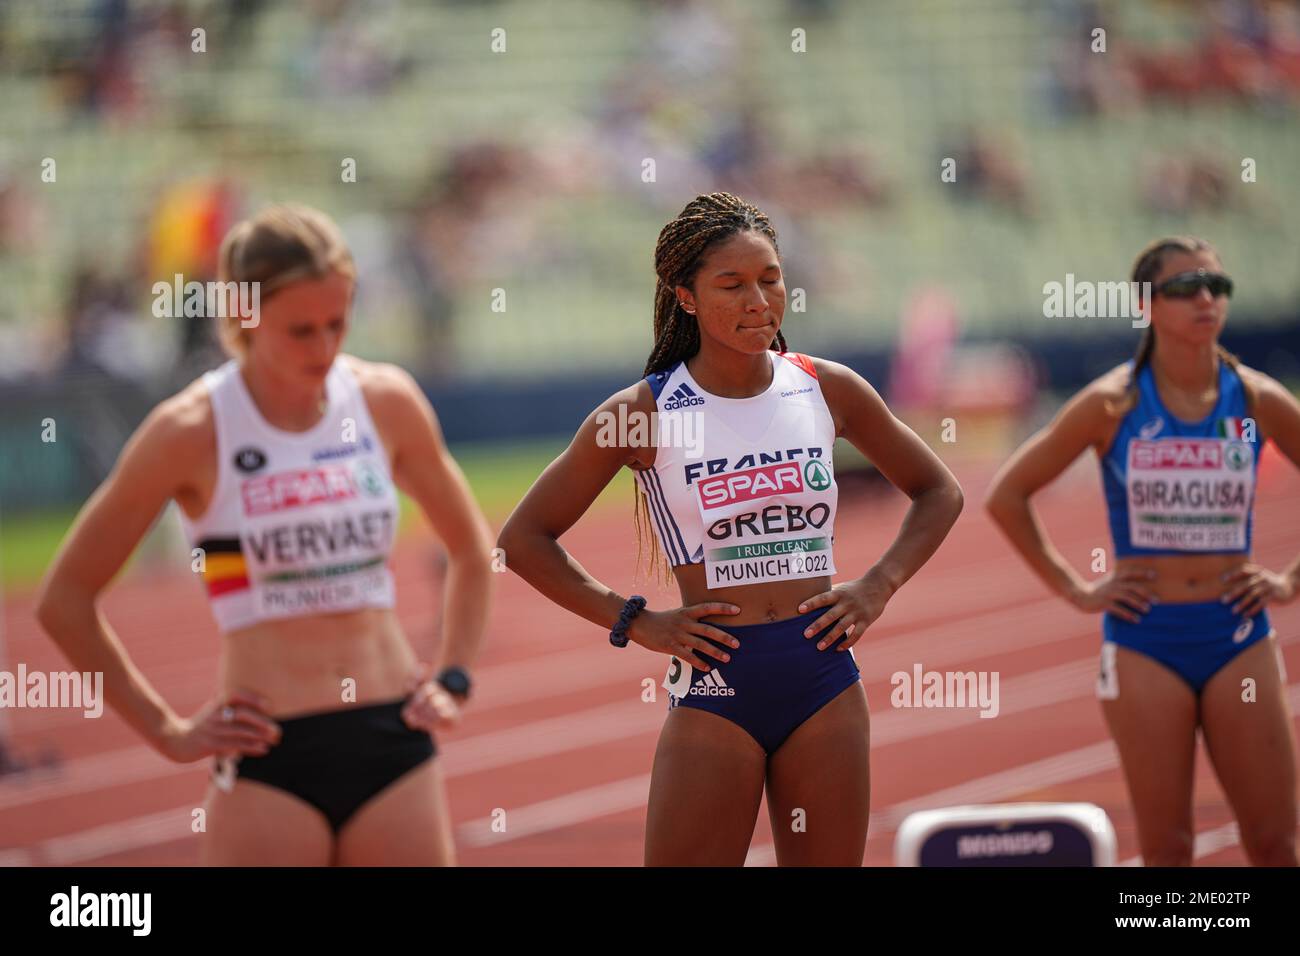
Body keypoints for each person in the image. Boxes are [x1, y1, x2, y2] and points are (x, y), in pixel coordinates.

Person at [498, 192, 963, 865]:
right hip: (718, 684)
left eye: (771, 279)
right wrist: (636, 620)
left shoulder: (825, 388)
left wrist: (878, 585)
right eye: (732, 284)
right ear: (685, 296)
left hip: (823, 679)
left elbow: (937, 491)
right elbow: (523, 539)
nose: (758, 301)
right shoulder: (643, 413)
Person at [36, 204, 494, 866]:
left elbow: (474, 548)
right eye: (300, 330)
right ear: (244, 317)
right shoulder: (190, 430)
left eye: (338, 323)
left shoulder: (383, 401)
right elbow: (65, 598)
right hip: (270, 754)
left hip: (394, 740)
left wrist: (453, 677)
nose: (325, 348)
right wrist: (166, 731)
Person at [986, 236, 1299, 866]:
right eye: (1185, 288)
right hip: (1145, 641)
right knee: (1168, 847)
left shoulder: (1255, 398)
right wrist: (1077, 588)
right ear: (1147, 305)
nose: (1205, 299)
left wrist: (1291, 580)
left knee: (1275, 843)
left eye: (1217, 286)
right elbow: (1008, 495)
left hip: (1236, 632)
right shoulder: (1112, 403)